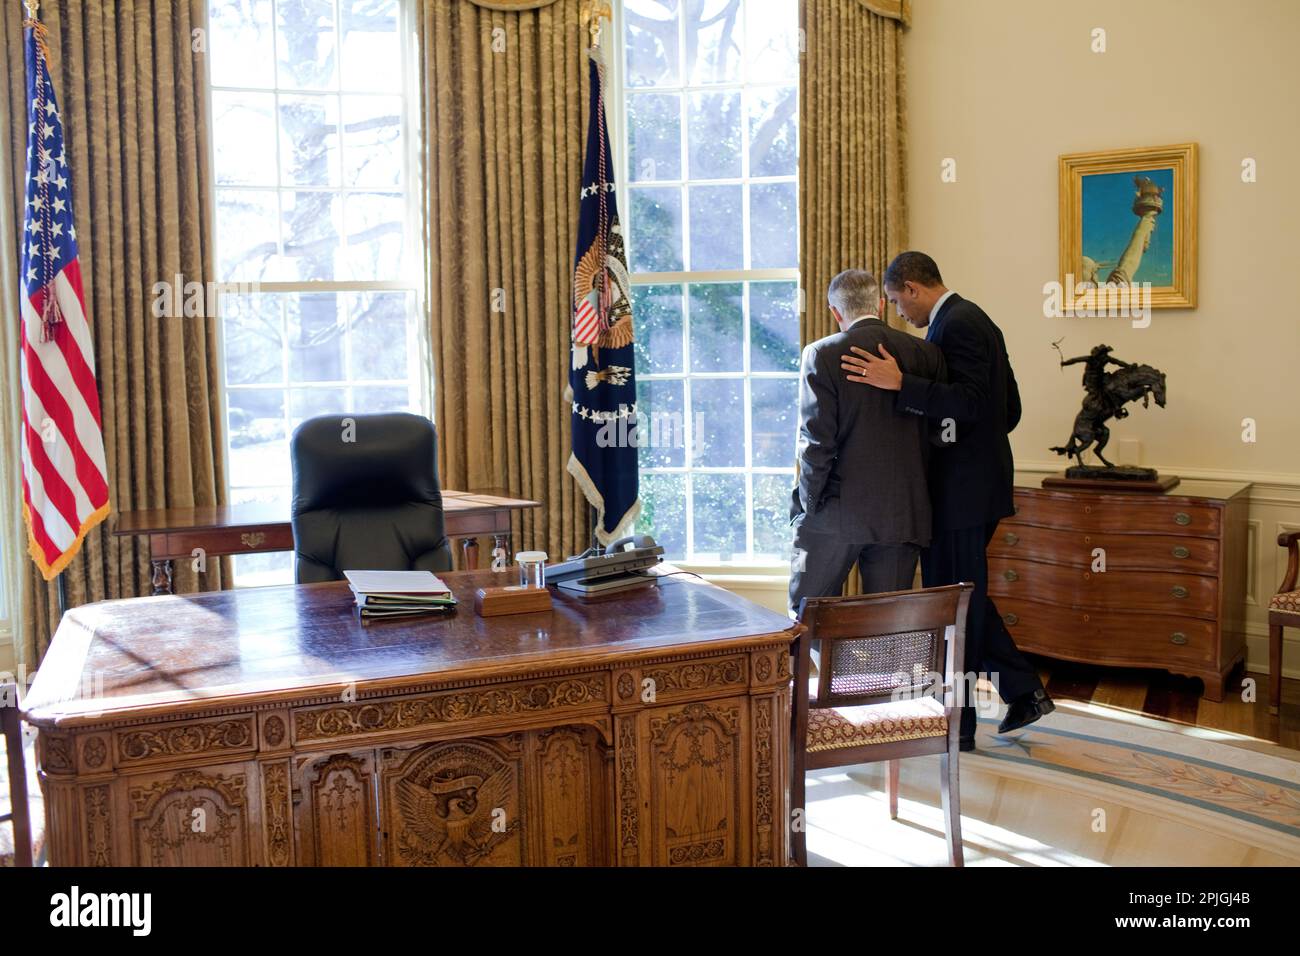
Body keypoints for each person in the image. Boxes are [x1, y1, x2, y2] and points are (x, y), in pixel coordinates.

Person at [839, 251, 1054, 749]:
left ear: (913, 288)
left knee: (954, 607)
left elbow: (977, 405)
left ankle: (961, 725)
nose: (898, 313)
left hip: (962, 495)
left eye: (896, 301)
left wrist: (902, 385)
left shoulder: (955, 325)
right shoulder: (976, 320)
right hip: (976, 488)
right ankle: (1021, 694)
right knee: (966, 598)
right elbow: (1009, 410)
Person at [789, 269, 946, 614]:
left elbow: (816, 441)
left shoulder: (821, 354)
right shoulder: (926, 354)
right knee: (886, 626)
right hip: (904, 513)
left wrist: (807, 504)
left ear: (834, 312)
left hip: (834, 511)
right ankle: (881, 672)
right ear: (879, 304)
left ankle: (821, 671)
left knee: (805, 614)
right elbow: (938, 435)